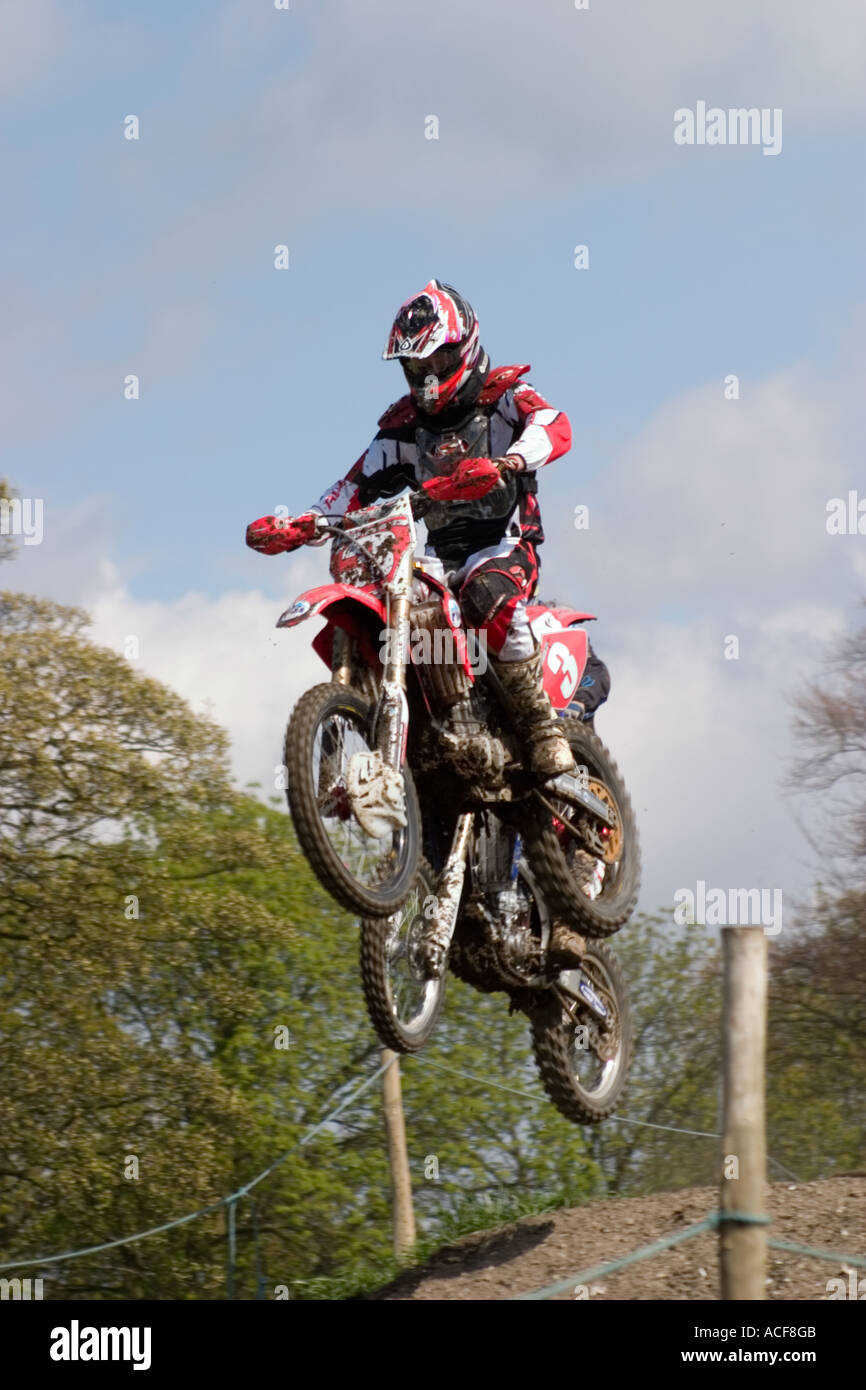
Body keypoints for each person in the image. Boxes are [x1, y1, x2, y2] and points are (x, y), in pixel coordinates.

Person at [246, 279, 578, 778]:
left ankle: (540, 728)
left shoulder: (504, 397)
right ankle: (419, 719)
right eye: (416, 367)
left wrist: (509, 461)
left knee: (484, 595)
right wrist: (305, 522)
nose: (427, 377)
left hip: (505, 545)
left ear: (464, 348)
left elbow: (555, 424)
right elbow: (354, 485)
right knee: (387, 599)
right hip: (438, 556)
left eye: (436, 362)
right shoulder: (404, 428)